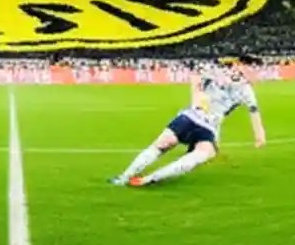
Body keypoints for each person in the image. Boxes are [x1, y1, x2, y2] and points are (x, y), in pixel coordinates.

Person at [110, 63, 266, 187]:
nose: (254, 73)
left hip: (203, 123)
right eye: (251, 68)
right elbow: (197, 74)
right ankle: (132, 177)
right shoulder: (230, 80)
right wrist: (197, 96)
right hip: (196, 119)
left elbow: (254, 112)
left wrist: (260, 135)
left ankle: (144, 178)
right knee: (171, 145)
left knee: (195, 152)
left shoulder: (241, 87)